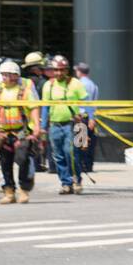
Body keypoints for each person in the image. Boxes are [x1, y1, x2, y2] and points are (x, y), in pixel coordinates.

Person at [0, 60, 39, 204]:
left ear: (15, 76)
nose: (4, 77)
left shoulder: (25, 90)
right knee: (5, 163)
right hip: (3, 133)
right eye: (3, 75)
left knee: (22, 160)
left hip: (21, 132)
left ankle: (23, 190)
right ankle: (9, 191)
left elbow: (34, 108)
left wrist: (36, 125)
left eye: (6, 75)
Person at [42, 54, 87, 194]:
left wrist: (87, 117)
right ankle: (65, 183)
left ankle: (76, 180)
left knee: (71, 153)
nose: (59, 73)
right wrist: (43, 127)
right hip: (55, 125)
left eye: (62, 70)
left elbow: (87, 102)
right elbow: (45, 107)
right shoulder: (48, 85)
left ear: (67, 70)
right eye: (56, 70)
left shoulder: (76, 84)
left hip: (71, 124)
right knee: (58, 155)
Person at [74, 62, 99, 173]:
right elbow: (94, 103)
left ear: (79, 71)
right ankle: (88, 165)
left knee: (81, 142)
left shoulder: (78, 85)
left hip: (81, 116)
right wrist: (92, 117)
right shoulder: (93, 85)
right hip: (90, 117)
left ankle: (81, 165)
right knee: (90, 142)